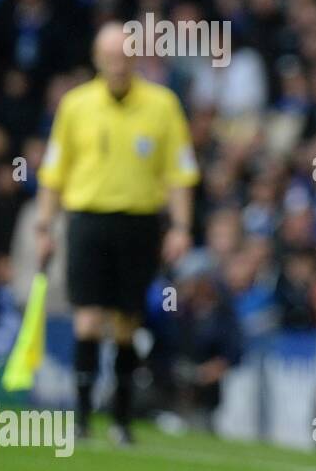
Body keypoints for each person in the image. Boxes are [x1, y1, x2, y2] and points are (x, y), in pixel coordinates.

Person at [35, 22, 199, 442]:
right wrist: (44, 225)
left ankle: (123, 420)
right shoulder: (76, 105)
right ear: (97, 59)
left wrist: (180, 226)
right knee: (87, 317)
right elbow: (54, 171)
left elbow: (179, 172)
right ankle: (83, 416)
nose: (118, 65)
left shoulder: (162, 105)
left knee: (127, 320)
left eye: (125, 56)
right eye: (110, 57)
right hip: (88, 219)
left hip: (139, 223)